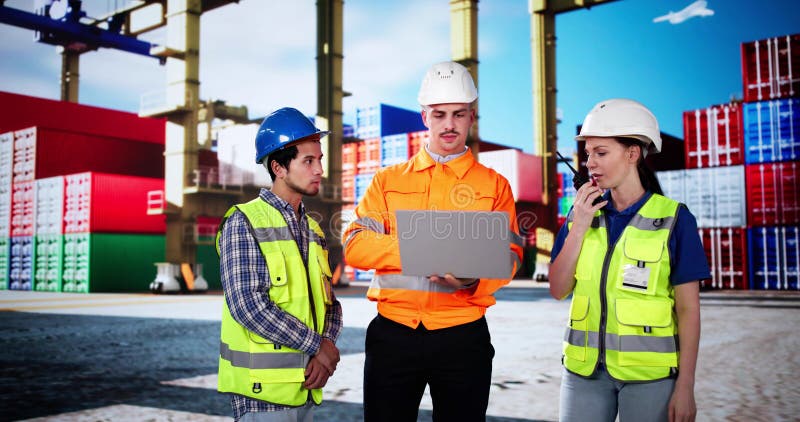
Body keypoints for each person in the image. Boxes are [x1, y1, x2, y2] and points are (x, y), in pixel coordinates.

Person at [343, 61, 524, 421]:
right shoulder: (386, 181)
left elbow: (511, 256)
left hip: (462, 336)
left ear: (472, 116)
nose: (449, 125)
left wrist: (472, 278)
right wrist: (419, 249)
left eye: (459, 114)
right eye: (440, 114)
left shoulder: (494, 186)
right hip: (393, 333)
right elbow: (355, 244)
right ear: (424, 116)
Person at [549, 98, 709, 422]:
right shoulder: (581, 215)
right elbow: (557, 288)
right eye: (588, 153)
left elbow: (688, 310)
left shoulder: (675, 219)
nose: (589, 163)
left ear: (632, 154)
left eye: (601, 152)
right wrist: (578, 227)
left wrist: (686, 386)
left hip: (650, 378)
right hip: (583, 374)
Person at [216, 107, 343, 422]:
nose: (319, 170)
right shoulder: (244, 221)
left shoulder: (312, 230)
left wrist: (325, 348)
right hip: (263, 397)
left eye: (320, 160)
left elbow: (329, 304)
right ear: (279, 167)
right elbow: (248, 306)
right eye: (308, 161)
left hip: (307, 387)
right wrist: (318, 346)